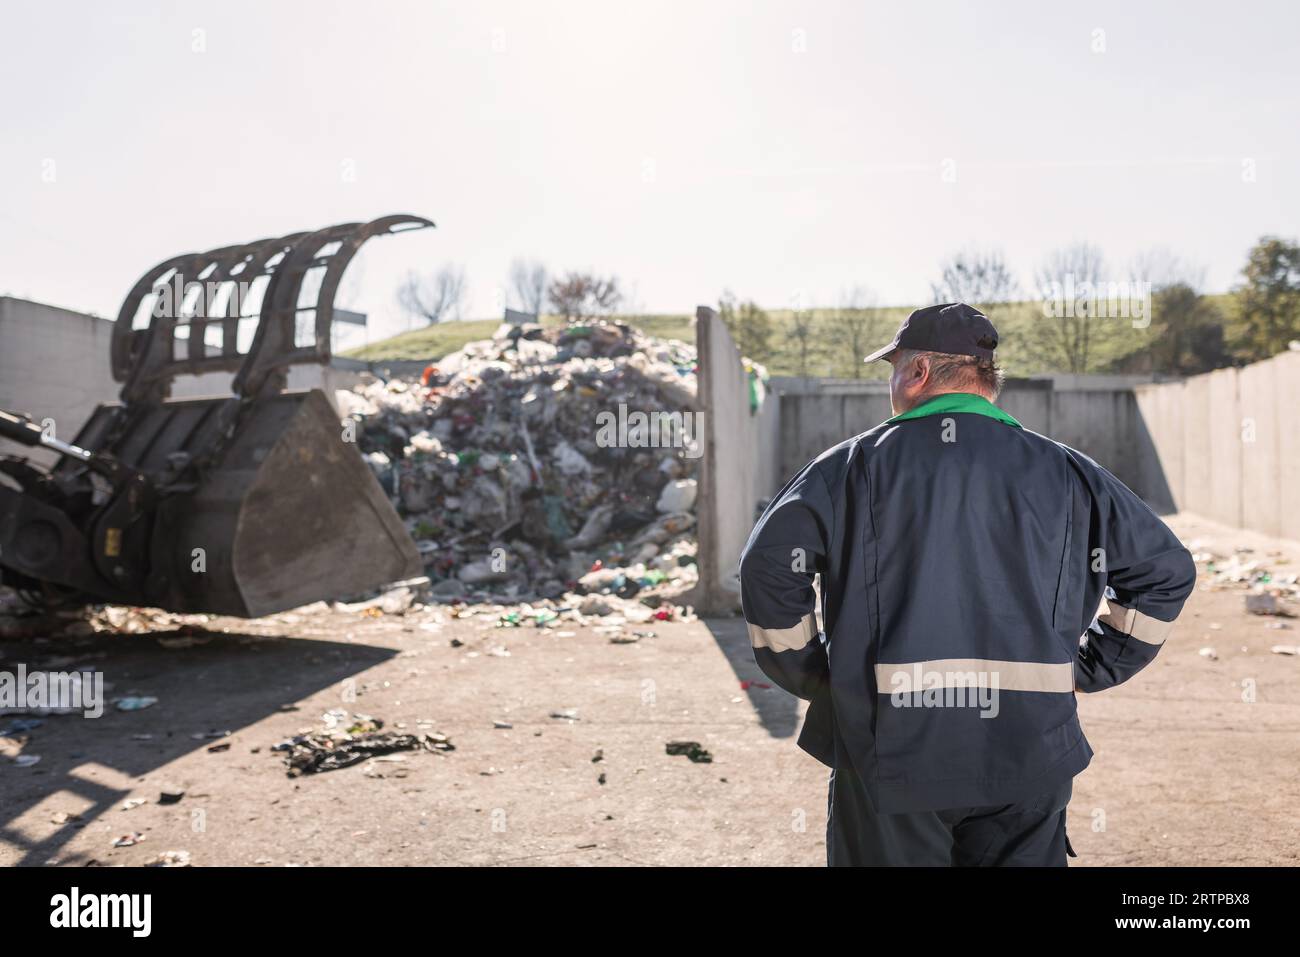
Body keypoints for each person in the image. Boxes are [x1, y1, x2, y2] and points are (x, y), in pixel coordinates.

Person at [738, 302, 1196, 866]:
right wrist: (1093, 666)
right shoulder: (1071, 472)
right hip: (1029, 750)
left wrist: (817, 677)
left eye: (895, 367)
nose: (892, 382)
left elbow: (767, 568)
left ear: (919, 372)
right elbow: (1164, 570)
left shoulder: (850, 468)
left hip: (888, 750)